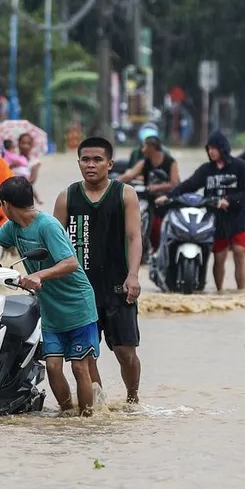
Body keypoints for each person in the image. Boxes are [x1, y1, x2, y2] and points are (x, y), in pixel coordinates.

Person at [0, 177, 99, 416]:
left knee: (79, 368)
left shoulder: (47, 226)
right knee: (52, 366)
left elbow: (71, 263)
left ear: (6, 205)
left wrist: (39, 275)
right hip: (50, 309)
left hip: (77, 306)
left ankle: (86, 421)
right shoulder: (13, 227)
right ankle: (67, 415)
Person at [55, 137, 144, 405]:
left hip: (118, 286)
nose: (91, 165)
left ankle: (132, 398)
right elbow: (54, 241)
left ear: (110, 163)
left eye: (97, 160)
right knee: (86, 355)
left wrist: (133, 275)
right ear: (79, 162)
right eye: (85, 159)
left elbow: (134, 238)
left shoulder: (125, 194)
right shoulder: (66, 197)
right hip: (80, 290)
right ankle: (100, 405)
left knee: (124, 351)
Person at [156, 130, 245, 291]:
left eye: (214, 148)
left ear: (223, 148)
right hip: (216, 220)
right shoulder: (206, 169)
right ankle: (220, 292)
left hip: (239, 218)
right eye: (209, 149)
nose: (211, 152)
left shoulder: (241, 167)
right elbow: (189, 185)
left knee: (239, 253)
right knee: (219, 256)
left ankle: (240, 293)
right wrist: (169, 196)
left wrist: (229, 201)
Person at [117, 135, 180, 252]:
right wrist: (110, 184)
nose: (143, 150)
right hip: (149, 199)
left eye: (145, 146)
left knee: (160, 227)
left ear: (152, 147)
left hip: (166, 200)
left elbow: (174, 183)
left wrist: (156, 187)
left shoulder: (170, 162)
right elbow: (128, 175)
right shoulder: (144, 162)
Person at [16, 132, 43, 203]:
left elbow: (32, 180)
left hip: (26, 194)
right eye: (23, 143)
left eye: (28, 143)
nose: (25, 146)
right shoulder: (13, 159)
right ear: (18, 144)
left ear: (32, 145)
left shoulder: (35, 162)